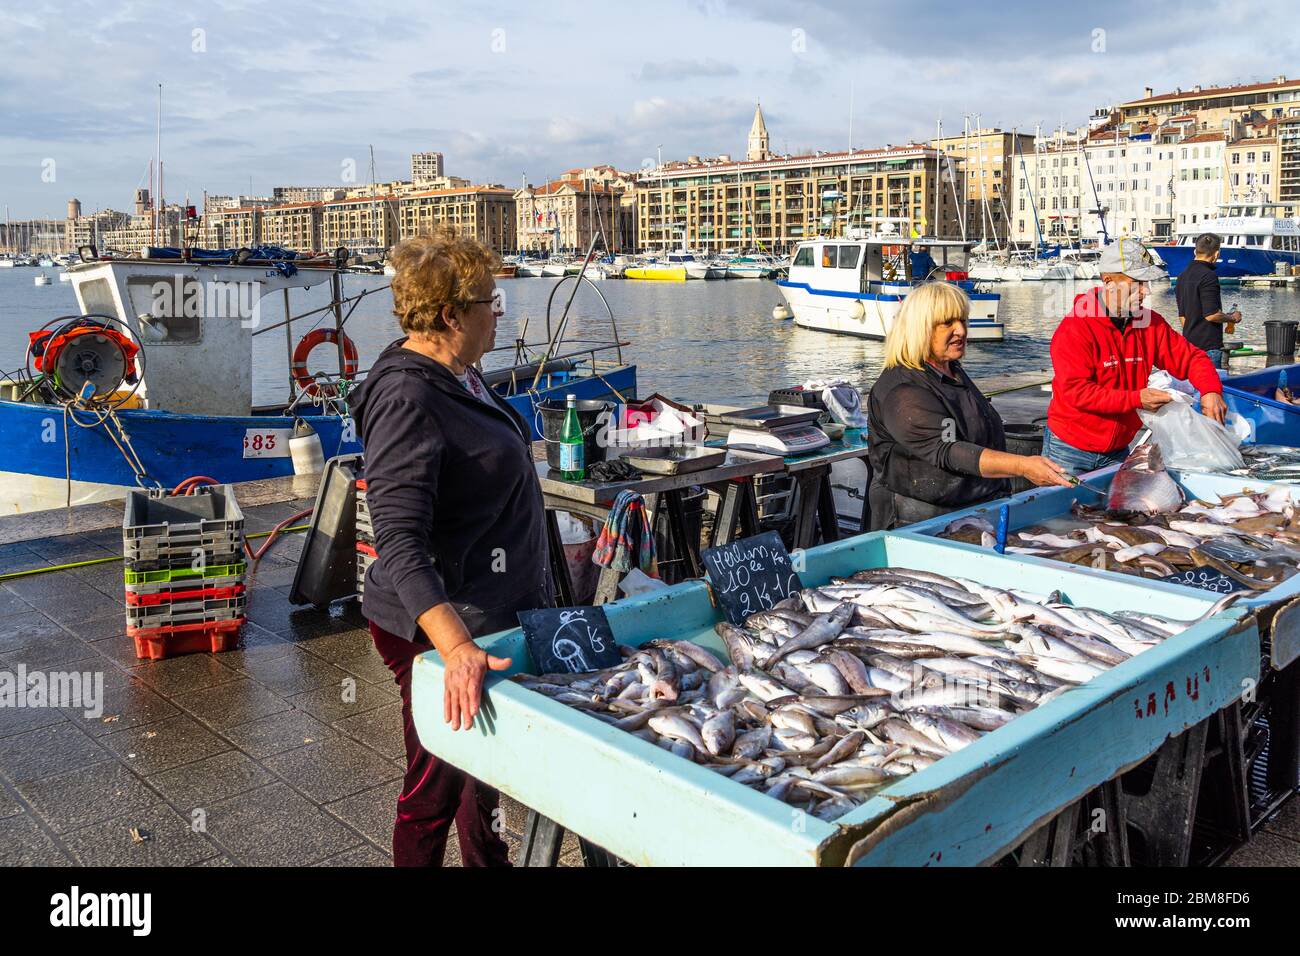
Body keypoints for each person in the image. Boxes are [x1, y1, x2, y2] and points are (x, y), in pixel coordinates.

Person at [350, 226, 552, 867]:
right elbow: (400, 544)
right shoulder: (408, 396)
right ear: (448, 315)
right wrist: (457, 649)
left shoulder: (461, 373)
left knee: (479, 776)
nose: (499, 312)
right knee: (433, 784)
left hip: (490, 610)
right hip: (439, 624)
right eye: (489, 302)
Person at [867, 282, 1072, 530]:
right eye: (948, 323)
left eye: (963, 321)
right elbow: (947, 449)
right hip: (919, 520)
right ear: (919, 328)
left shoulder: (950, 371)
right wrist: (1022, 466)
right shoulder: (902, 389)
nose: (961, 331)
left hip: (971, 508)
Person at [1044, 237, 1227, 476]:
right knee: (1063, 512)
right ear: (1109, 282)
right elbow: (1076, 391)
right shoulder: (1076, 328)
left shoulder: (1150, 323)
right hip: (1069, 448)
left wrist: (1211, 390)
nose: (1145, 291)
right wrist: (1136, 398)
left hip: (1119, 448)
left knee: (1115, 513)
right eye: (1137, 283)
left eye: (1146, 283)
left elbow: (1192, 358)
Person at [1176, 232, 1241, 368]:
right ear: (1216, 254)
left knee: (1194, 387)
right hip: (1208, 347)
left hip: (1189, 346)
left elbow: (1182, 317)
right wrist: (1232, 318)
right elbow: (1211, 315)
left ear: (1195, 251)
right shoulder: (1209, 276)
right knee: (1210, 387)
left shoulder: (1182, 276)